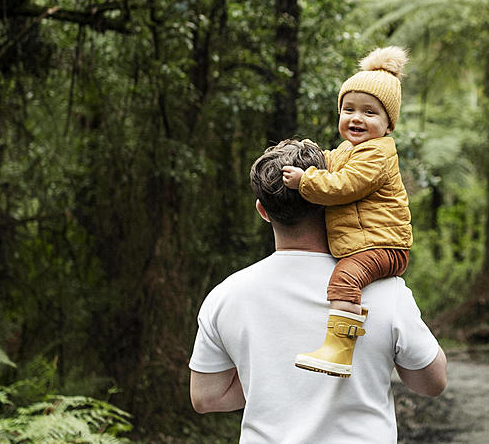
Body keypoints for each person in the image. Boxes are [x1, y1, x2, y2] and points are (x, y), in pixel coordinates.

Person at [189, 138, 446, 444]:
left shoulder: (226, 295)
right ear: (331, 199)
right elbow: (433, 383)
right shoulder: (385, 291)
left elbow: (206, 398)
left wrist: (273, 379)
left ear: (263, 211)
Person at [280, 47, 412, 377]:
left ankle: (339, 349)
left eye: (369, 113)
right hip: (365, 243)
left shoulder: (377, 154)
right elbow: (330, 163)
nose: (356, 118)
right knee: (342, 274)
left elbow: (345, 184)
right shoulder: (349, 150)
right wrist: (306, 157)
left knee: (345, 280)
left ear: (388, 124)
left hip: (383, 246)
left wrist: (305, 180)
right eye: (349, 109)